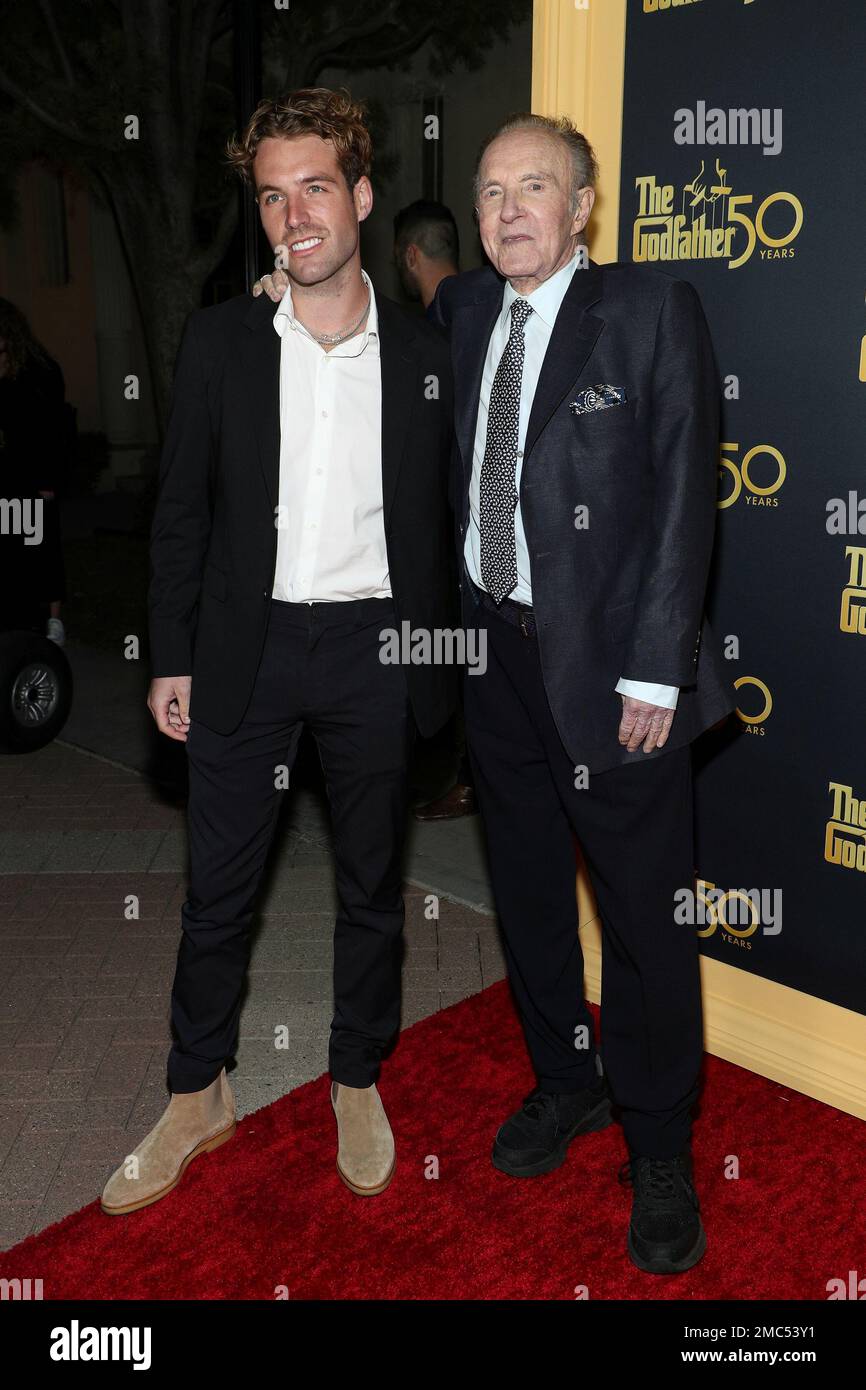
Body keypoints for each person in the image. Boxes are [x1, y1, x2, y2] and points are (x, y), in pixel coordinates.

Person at [100, 87, 455, 1215]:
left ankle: (355, 1075)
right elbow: (182, 512)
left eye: (314, 188)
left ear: (360, 196)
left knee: (368, 887)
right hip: (245, 649)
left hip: (373, 648)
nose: (293, 216)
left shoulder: (426, 348)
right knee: (217, 895)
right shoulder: (219, 340)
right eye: (270, 197)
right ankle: (197, 1090)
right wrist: (171, 654)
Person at [428, 113, 735, 1275]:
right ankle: (567, 1078)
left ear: (582, 207)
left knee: (646, 914)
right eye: (492, 189)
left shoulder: (652, 311)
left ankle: (657, 1142)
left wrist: (656, 666)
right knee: (524, 887)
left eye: (535, 188)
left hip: (614, 668)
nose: (509, 209)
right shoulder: (461, 310)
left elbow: (679, 502)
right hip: (492, 654)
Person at [392, 200, 474, 821]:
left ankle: (466, 775)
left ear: (410, 255)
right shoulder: (486, 303)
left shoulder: (441, 318)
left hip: (453, 528)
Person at [0, 298, 70, 643]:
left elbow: (52, 430)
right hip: (10, 478)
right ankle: (21, 619)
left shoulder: (38, 372)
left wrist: (46, 480)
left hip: (34, 478)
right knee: (17, 548)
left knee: (41, 549)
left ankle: (52, 621)